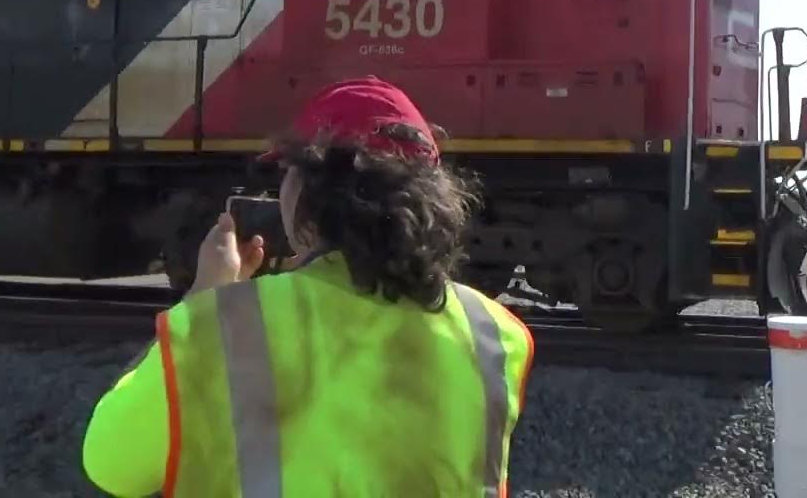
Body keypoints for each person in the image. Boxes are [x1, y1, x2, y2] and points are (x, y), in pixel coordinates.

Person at [82, 77, 535, 497]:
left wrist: (202, 299)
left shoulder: (229, 323)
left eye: (288, 174)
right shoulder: (496, 334)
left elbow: (109, 463)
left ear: (313, 192)